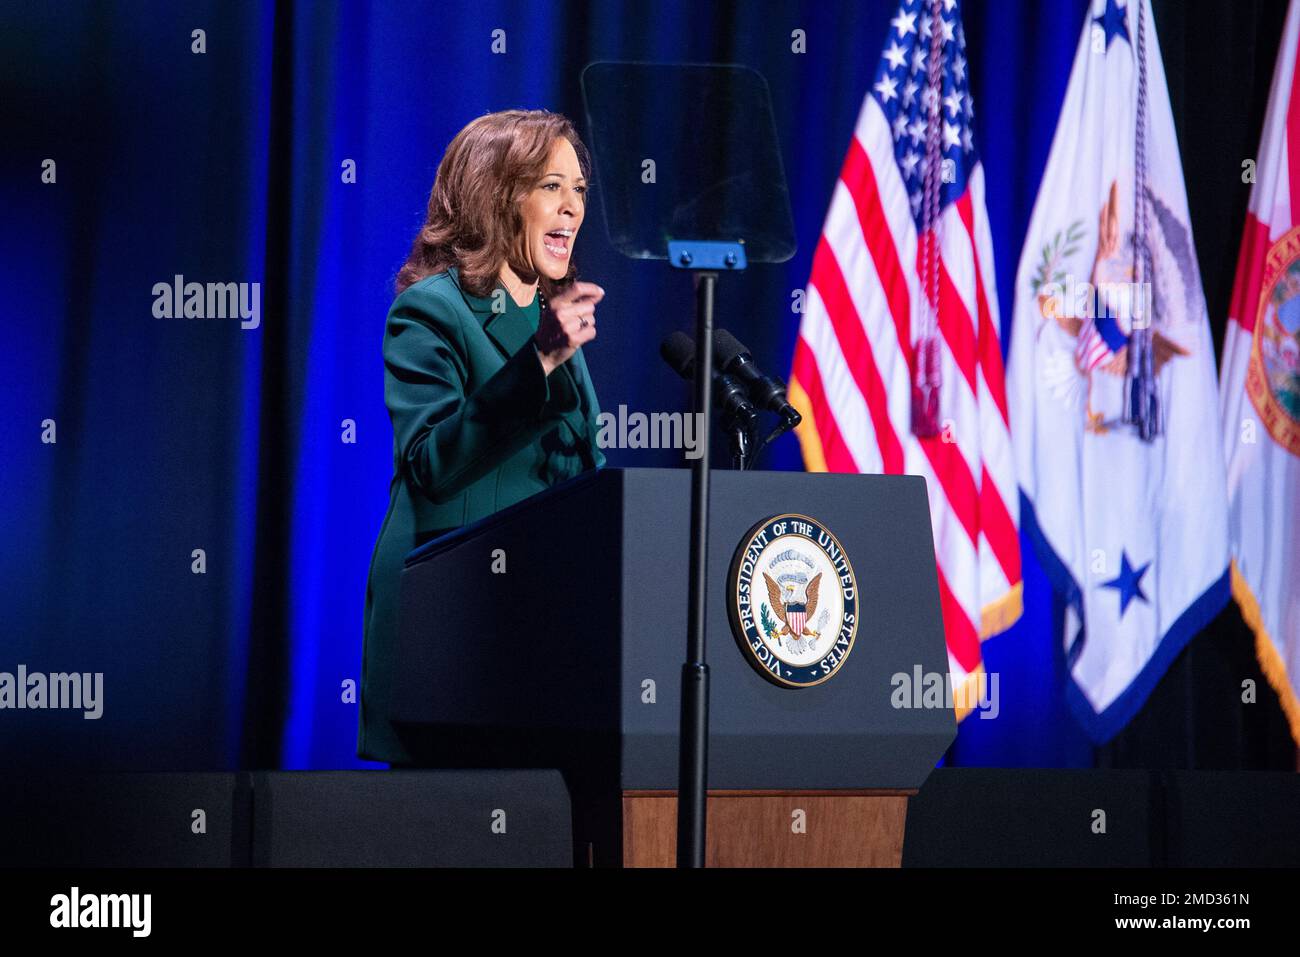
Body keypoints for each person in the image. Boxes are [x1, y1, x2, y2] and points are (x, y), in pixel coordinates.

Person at [358, 110, 606, 765]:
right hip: (457, 636)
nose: (573, 207)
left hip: (545, 637)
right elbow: (433, 463)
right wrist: (539, 360)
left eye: (579, 189)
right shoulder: (432, 310)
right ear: (498, 195)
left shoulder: (553, 323)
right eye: (552, 186)